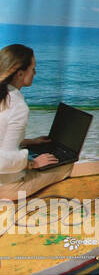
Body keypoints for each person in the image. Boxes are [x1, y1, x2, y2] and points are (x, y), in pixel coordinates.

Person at [0, 45, 59, 190]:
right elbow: (2, 162)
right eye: (33, 69)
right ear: (20, 74)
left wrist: (28, 142)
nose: (35, 73)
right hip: (5, 184)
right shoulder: (18, 106)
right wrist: (32, 163)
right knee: (63, 169)